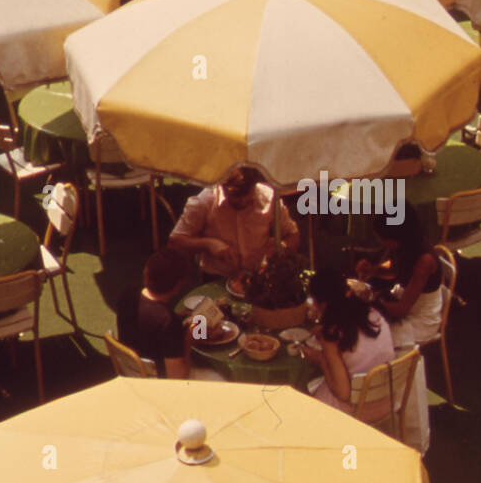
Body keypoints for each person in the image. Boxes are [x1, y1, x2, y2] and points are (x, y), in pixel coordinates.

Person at [355, 206, 440, 454]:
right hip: (406, 301)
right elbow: (397, 271)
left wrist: (370, 301)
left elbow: (402, 309)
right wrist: (374, 270)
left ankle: (380, 401)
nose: (380, 242)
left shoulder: (424, 260)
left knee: (374, 339)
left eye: (383, 238)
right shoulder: (406, 248)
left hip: (420, 319)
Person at [301, 270, 397, 427]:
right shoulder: (374, 313)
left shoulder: (331, 335)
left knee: (302, 395)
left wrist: (321, 360)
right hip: (388, 400)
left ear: (322, 304)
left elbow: (343, 392)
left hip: (357, 411)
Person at [169, 165, 300, 279]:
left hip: (259, 275)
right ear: (221, 186)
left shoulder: (269, 198)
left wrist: (280, 248)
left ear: (255, 186)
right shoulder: (204, 202)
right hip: (216, 277)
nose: (242, 202)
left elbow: (293, 235)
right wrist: (209, 244)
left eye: (247, 195)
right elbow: (175, 242)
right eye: (235, 197)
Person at [117, 248, 194, 378]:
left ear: (146, 272)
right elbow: (178, 377)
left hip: (130, 369)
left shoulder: (128, 294)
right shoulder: (168, 322)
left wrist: (176, 317)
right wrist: (187, 340)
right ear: (178, 286)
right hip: (156, 382)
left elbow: (147, 323)